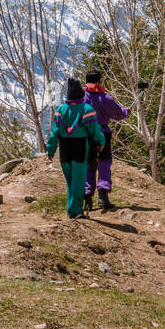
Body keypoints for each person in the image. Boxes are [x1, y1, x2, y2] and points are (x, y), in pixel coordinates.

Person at [46, 78, 105, 219]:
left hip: (64, 149)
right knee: (79, 181)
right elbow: (95, 130)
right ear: (81, 95)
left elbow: (54, 133)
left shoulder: (60, 110)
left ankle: (71, 209)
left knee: (70, 181)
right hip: (80, 147)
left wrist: (50, 149)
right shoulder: (86, 109)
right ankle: (76, 211)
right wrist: (101, 141)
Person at [82, 69, 130, 213]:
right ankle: (103, 197)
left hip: (86, 134)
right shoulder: (105, 98)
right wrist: (127, 111)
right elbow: (119, 114)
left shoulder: (82, 98)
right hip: (103, 133)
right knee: (104, 163)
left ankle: (86, 197)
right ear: (99, 81)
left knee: (89, 164)